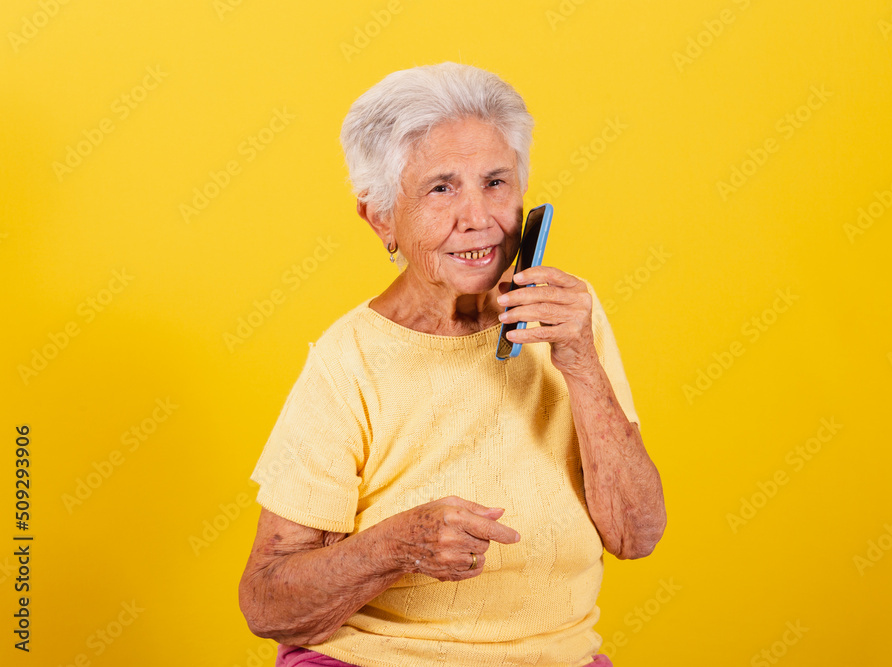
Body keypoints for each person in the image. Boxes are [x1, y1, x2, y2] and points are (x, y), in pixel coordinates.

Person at [238, 61, 667, 667]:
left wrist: (580, 361)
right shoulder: (349, 359)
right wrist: (395, 548)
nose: (479, 218)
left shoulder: (568, 316)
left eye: (496, 182)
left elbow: (635, 535)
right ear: (381, 216)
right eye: (442, 188)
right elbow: (266, 604)